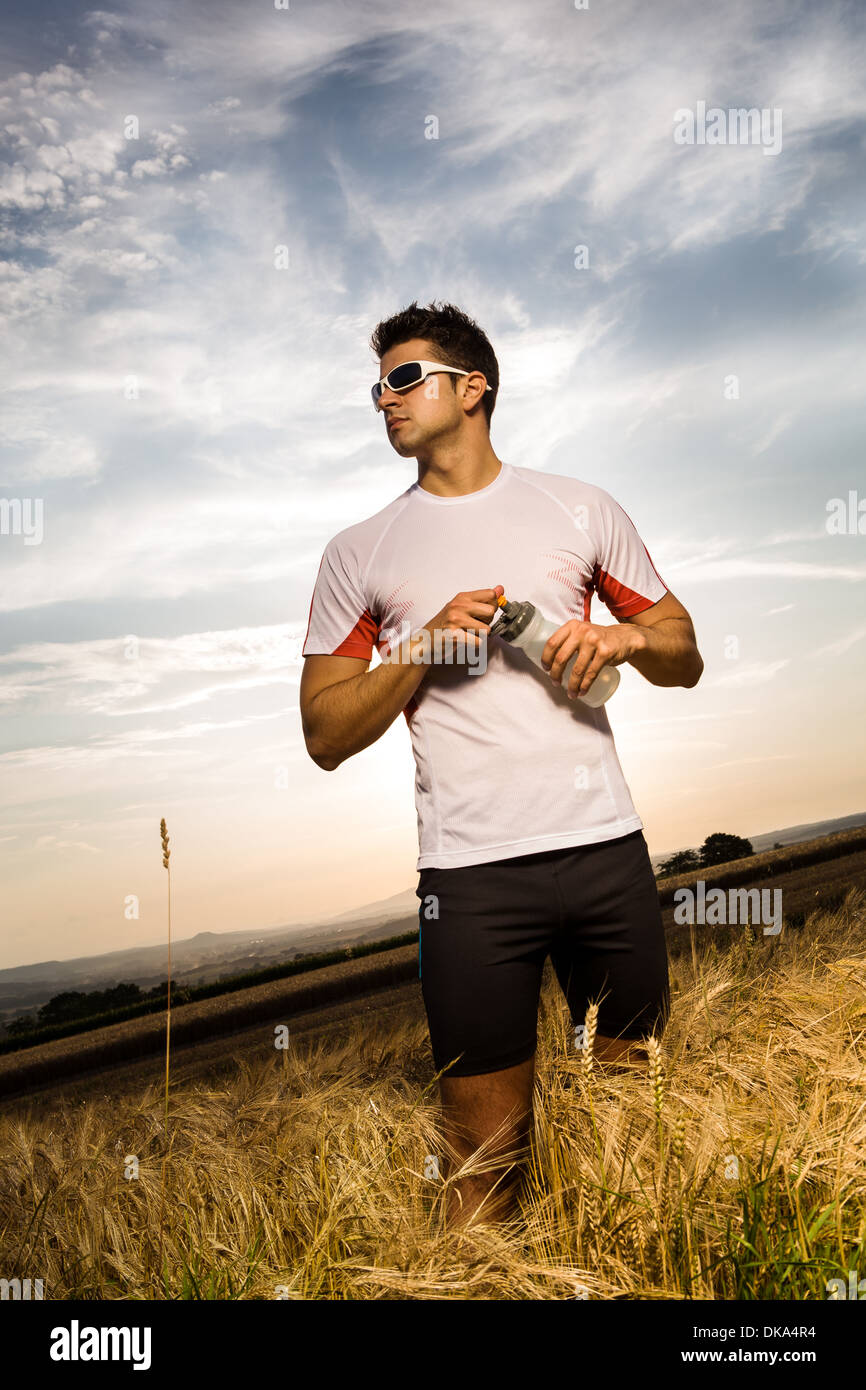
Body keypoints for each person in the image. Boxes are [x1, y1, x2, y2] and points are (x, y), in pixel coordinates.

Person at [299, 300, 703, 1230]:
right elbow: (323, 736)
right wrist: (422, 645)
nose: (384, 399)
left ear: (472, 387)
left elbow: (685, 654)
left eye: (405, 378)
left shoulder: (580, 506)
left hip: (607, 853)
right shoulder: (358, 553)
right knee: (483, 1163)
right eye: (378, 386)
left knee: (638, 1132)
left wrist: (625, 639)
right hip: (471, 879)